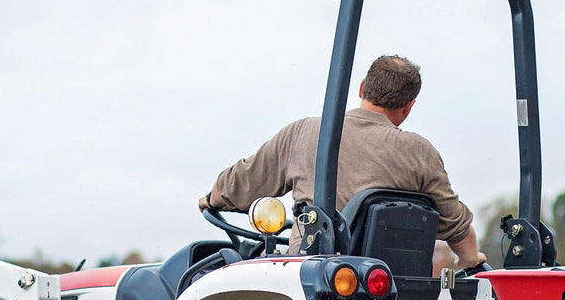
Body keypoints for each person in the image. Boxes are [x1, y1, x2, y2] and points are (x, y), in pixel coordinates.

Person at [199, 55, 486, 268]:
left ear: (362, 88)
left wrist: (213, 198)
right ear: (409, 106)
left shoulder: (306, 132)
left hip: (312, 274)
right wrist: (471, 257)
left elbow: (245, 180)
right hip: (393, 285)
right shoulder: (420, 151)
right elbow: (455, 223)